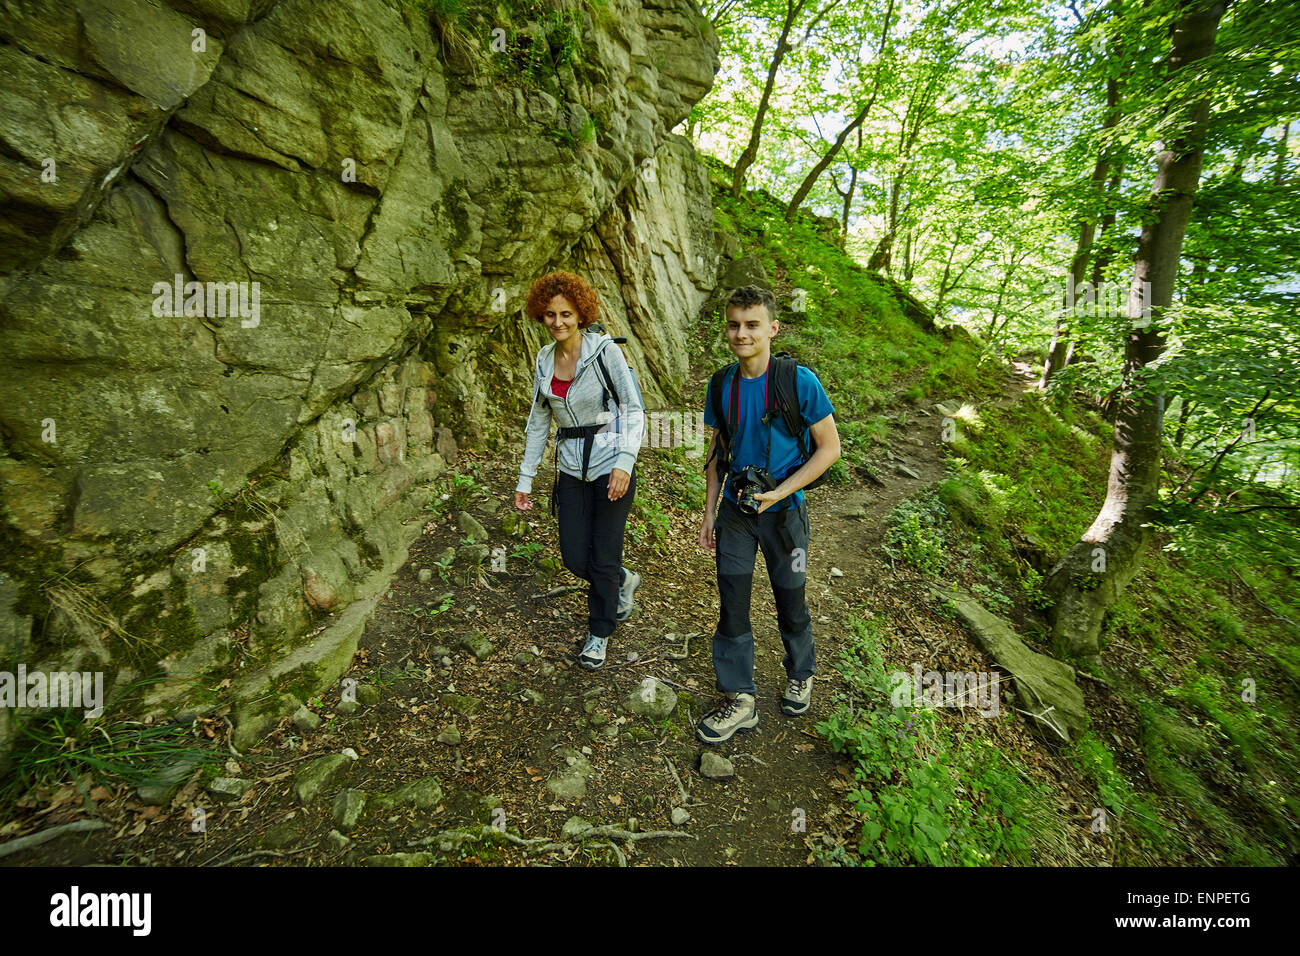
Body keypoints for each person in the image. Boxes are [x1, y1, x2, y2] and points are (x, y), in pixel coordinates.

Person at [696, 285, 841, 744]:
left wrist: (781, 492)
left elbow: (829, 449)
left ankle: (801, 671)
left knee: (790, 596)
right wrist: (708, 513)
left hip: (786, 514)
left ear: (772, 328)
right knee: (732, 603)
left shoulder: (799, 382)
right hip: (737, 514)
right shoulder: (721, 384)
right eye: (735, 325)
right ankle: (740, 699)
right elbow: (717, 452)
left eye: (752, 324)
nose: (742, 333)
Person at [515, 271, 646, 669]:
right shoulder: (542, 360)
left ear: (581, 314)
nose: (558, 322)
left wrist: (625, 463)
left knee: (603, 556)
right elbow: (539, 423)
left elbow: (633, 409)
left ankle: (599, 632)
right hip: (571, 467)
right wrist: (526, 478)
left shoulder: (605, 352)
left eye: (566, 314)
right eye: (551, 315)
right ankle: (621, 581)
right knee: (574, 557)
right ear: (542, 315)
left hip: (610, 465)